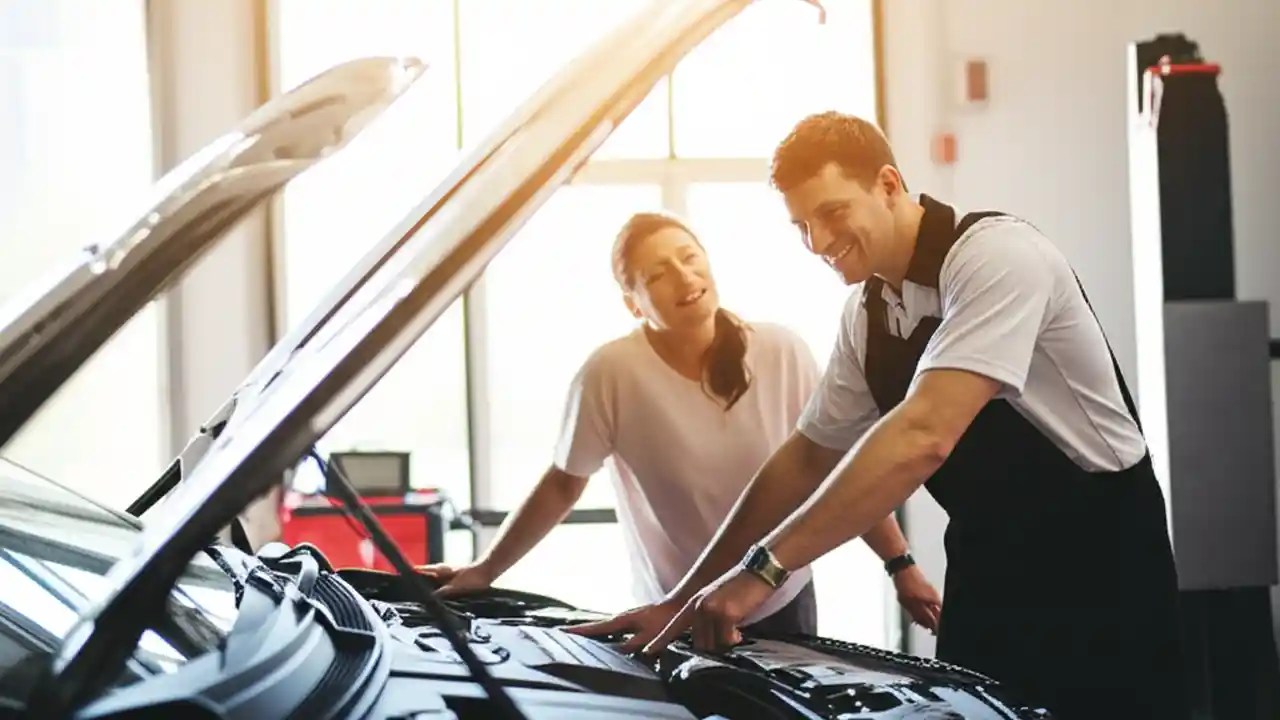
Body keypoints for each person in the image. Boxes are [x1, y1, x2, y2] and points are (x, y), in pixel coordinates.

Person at [568, 112, 1188, 720]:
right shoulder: (866, 315)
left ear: (888, 184)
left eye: (832, 212)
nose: (817, 241)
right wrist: (680, 600)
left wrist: (763, 571)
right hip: (989, 558)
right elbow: (806, 458)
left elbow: (924, 434)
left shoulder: (998, 257)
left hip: (1098, 558)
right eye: (801, 225)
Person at [419, 210, 943, 650]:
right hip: (672, 608)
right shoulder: (611, 374)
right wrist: (487, 569)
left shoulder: (782, 351)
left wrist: (900, 565)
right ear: (633, 301)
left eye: (689, 258)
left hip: (777, 594)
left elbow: (834, 467)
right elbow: (563, 484)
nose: (683, 276)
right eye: (658, 273)